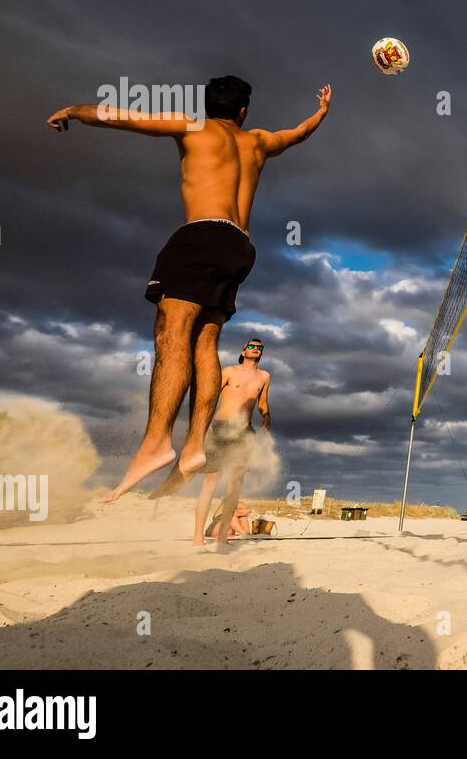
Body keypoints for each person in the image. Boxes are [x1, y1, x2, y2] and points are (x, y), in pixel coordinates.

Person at [47, 78, 330, 501]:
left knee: (171, 331)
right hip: (240, 245)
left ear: (207, 106)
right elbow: (299, 133)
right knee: (206, 341)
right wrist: (322, 112)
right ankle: (195, 444)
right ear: (243, 112)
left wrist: (73, 110)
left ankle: (157, 441)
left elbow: (121, 116)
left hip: (200, 235)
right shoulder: (259, 142)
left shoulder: (192, 127)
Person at [192, 338, 271, 545]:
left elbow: (262, 402)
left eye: (259, 347)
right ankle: (198, 536)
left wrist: (266, 414)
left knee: (234, 487)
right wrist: (199, 423)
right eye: (251, 346)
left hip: (245, 432)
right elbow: (208, 396)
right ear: (243, 350)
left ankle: (223, 537)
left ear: (261, 353)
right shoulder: (229, 371)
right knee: (210, 483)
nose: (255, 349)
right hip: (222, 428)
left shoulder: (264, 376)